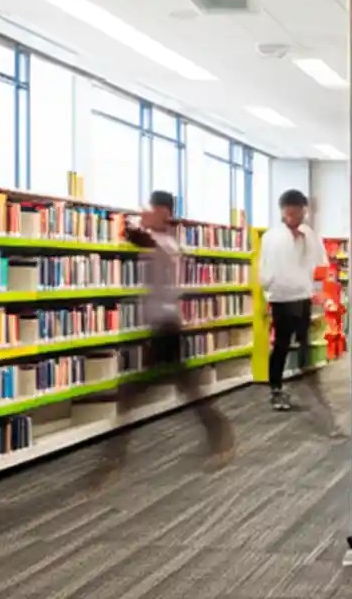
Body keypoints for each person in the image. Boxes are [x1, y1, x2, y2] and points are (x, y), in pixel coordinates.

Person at [88, 191, 234, 490]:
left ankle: (112, 462)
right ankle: (221, 437)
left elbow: (160, 253)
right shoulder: (158, 241)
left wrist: (141, 238)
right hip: (161, 328)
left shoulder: (165, 244)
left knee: (136, 393)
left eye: (152, 209)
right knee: (187, 392)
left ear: (165, 212)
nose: (145, 213)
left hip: (167, 329)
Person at [260, 189, 329, 414]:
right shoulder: (272, 236)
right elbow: (266, 270)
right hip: (281, 297)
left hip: (303, 295)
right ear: (283, 212)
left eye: (300, 213)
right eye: (291, 214)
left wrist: (317, 290)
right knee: (281, 344)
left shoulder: (308, 234)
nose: (296, 218)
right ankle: (276, 388)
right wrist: (267, 293)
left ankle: (306, 382)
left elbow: (320, 263)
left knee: (304, 339)